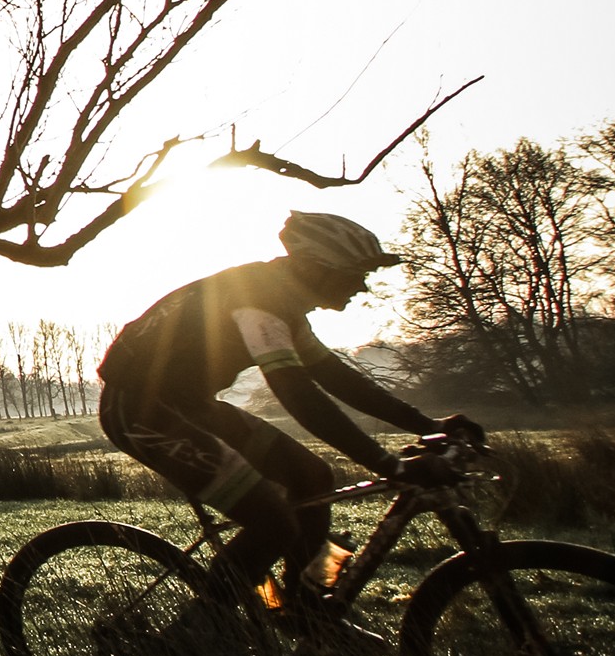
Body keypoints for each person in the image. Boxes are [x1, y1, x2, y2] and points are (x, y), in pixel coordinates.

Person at [98, 211, 482, 619]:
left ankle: (304, 614)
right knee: (274, 522)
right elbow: (299, 395)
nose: (362, 285)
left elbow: (338, 379)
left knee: (313, 481)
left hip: (191, 405)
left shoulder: (283, 303)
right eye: (355, 273)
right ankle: (197, 633)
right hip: (138, 409)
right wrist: (388, 465)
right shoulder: (257, 302)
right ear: (317, 268)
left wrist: (429, 425)